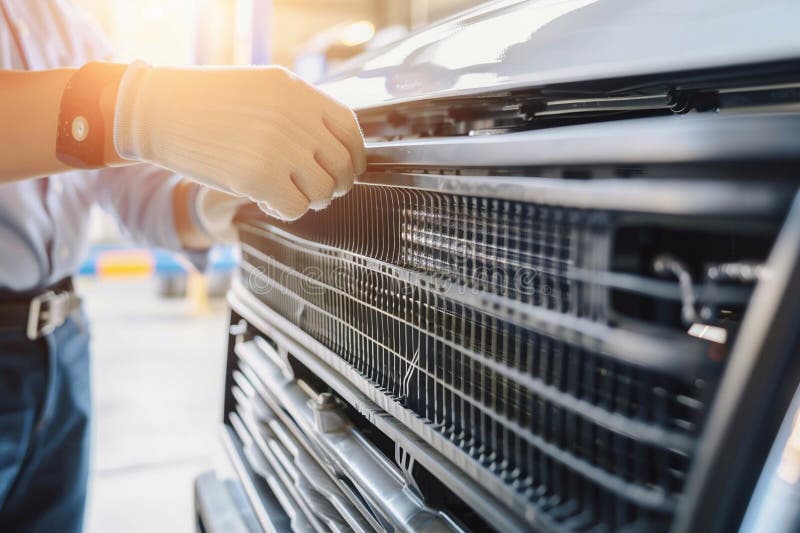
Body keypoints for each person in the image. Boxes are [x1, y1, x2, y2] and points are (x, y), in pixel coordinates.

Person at [0, 1, 366, 531]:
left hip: (64, 345)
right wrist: (141, 106)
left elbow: (133, 189)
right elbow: (127, 124)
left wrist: (214, 204)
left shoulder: (64, 21)